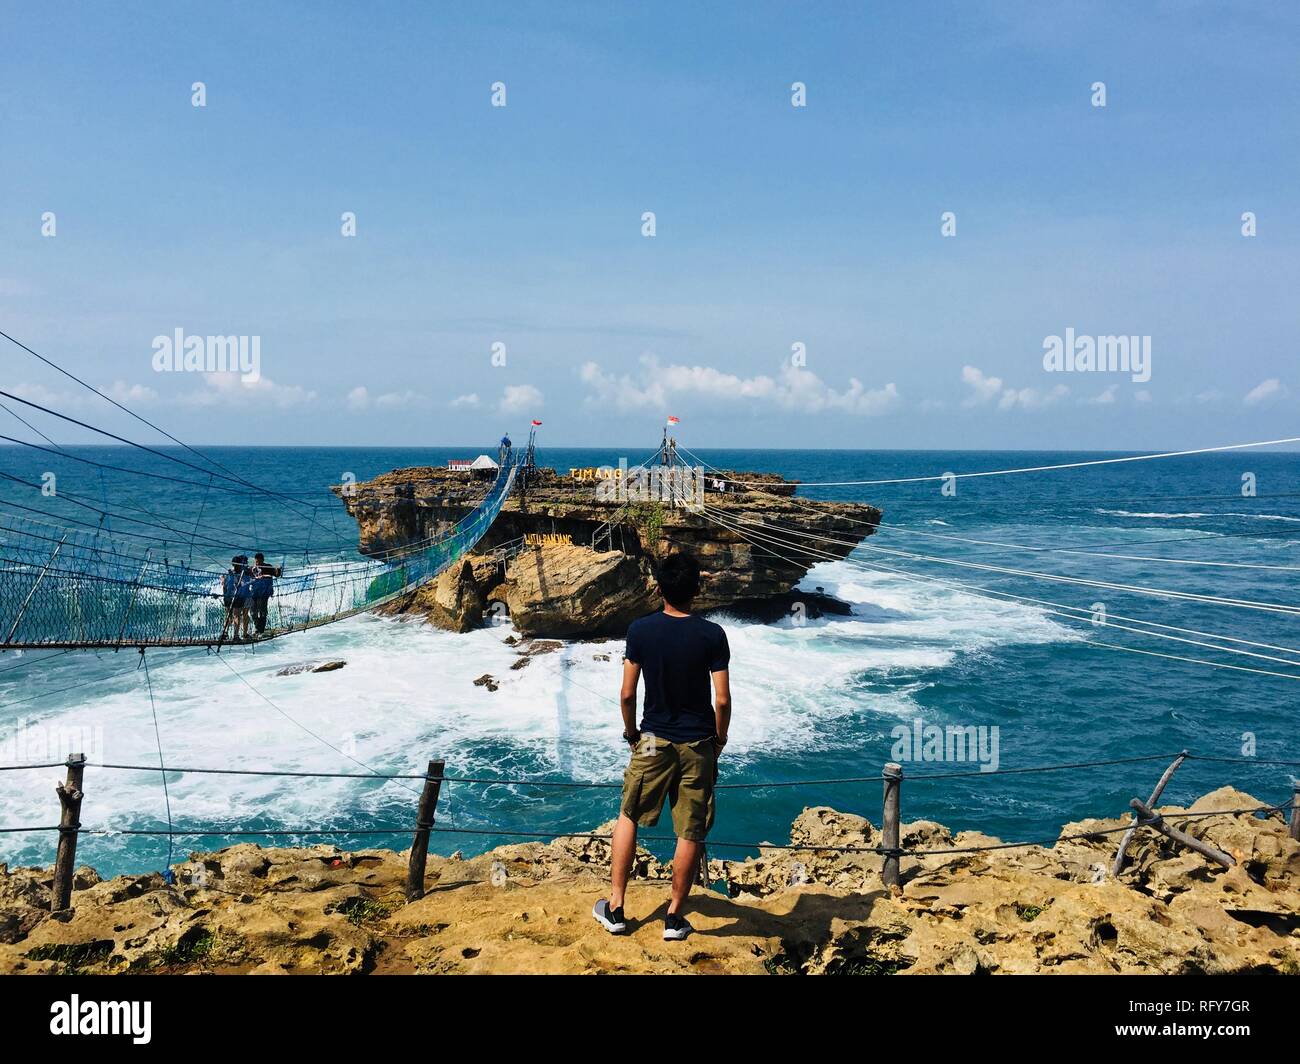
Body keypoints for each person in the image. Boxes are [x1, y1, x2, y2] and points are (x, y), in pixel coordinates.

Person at [593, 552, 731, 942]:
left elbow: (626, 693)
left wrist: (632, 733)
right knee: (690, 829)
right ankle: (673, 918)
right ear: (697, 591)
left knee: (629, 814)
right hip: (698, 743)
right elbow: (721, 700)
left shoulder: (640, 630)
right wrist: (718, 740)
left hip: (652, 741)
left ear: (659, 589)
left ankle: (617, 908)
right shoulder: (712, 635)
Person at [219, 555, 252, 641]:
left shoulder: (229, 573)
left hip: (228, 597)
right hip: (239, 597)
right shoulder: (244, 573)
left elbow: (224, 585)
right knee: (237, 616)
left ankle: (225, 633)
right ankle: (236, 636)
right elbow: (248, 582)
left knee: (228, 616)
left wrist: (224, 595)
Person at [248, 552, 282, 635]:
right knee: (253, 612)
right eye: (256, 562)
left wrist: (279, 570)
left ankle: (261, 629)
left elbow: (276, 574)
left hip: (264, 592)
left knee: (262, 611)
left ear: (263, 560)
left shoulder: (268, 567)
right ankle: (257, 626)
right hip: (254, 593)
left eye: (259, 562)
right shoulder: (252, 568)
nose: (258, 563)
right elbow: (247, 576)